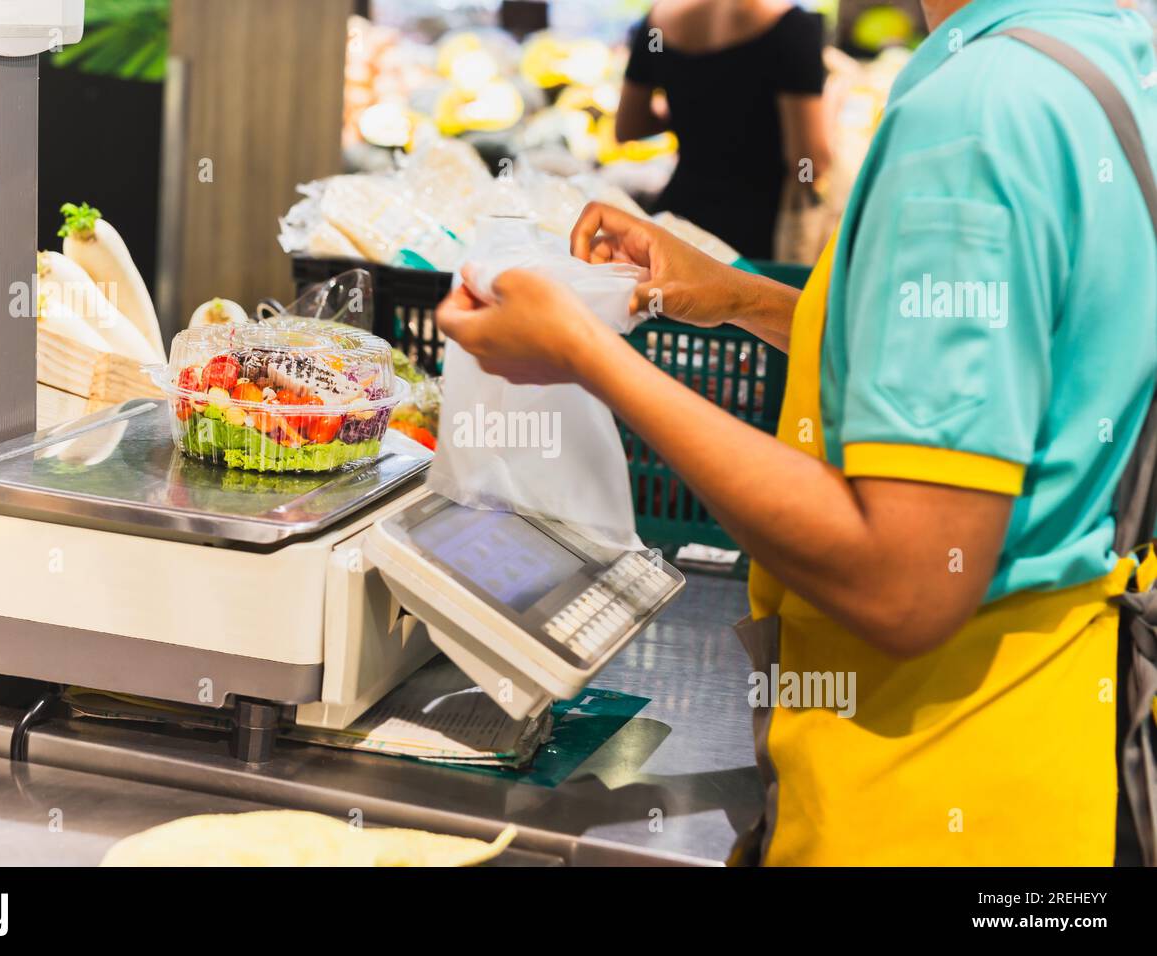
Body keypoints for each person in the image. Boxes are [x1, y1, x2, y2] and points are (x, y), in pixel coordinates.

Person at [437, 0, 1157, 865]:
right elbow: (1001, 361)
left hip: (914, 802)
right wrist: (738, 295)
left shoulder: (972, 117)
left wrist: (591, 357)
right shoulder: (1096, 61)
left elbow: (906, 581)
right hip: (1051, 769)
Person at [617, 0, 830, 259]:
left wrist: (695, 108)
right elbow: (808, 164)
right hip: (756, 236)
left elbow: (627, 126)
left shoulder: (657, 21)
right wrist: (835, 97)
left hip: (680, 220)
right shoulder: (791, 27)